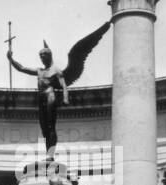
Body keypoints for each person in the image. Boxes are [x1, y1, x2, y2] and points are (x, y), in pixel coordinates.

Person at [6, 22, 110, 158]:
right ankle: (48, 153)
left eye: (44, 56)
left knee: (50, 126)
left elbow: (64, 84)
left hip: (50, 97)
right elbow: (22, 68)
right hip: (41, 98)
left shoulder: (56, 71)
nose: (42, 59)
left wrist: (66, 98)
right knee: (44, 129)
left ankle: (51, 154)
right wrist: (11, 59)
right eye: (40, 57)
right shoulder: (39, 71)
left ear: (48, 56)